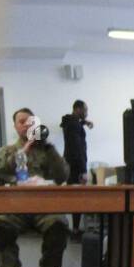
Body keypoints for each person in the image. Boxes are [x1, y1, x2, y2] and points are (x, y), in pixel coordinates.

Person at [0, 107, 70, 267]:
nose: (26, 125)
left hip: (44, 207)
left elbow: (62, 176)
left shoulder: (48, 151)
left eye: (29, 121)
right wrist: (24, 150)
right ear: (15, 127)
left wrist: (49, 148)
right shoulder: (8, 151)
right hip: (15, 207)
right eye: (21, 121)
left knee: (59, 224)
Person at [59, 99, 93, 235]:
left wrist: (85, 122)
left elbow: (75, 123)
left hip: (70, 165)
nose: (86, 113)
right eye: (85, 110)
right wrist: (83, 170)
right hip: (76, 167)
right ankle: (75, 230)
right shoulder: (74, 126)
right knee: (77, 199)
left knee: (74, 197)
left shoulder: (70, 122)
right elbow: (78, 149)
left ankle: (75, 228)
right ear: (77, 109)